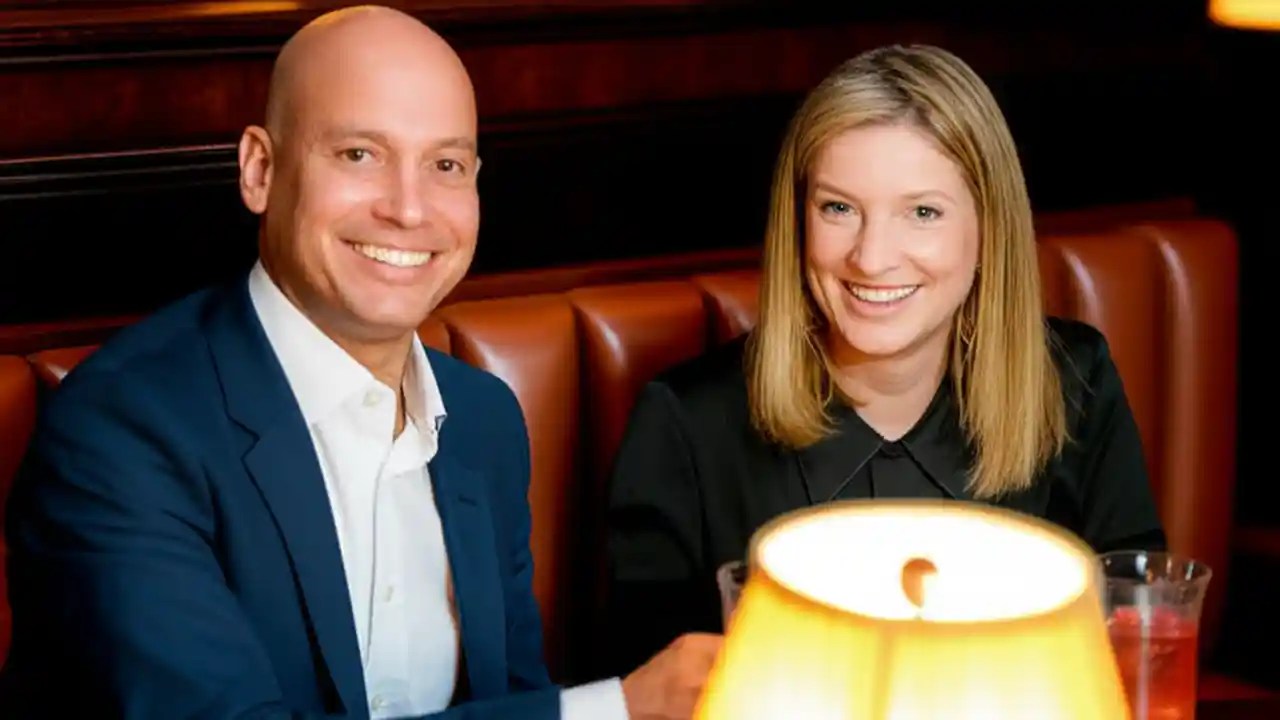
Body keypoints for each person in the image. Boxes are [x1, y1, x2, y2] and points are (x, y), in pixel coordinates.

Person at [0, 6, 718, 719]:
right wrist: (618, 710)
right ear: (260, 169)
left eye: (445, 164)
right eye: (359, 154)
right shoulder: (121, 429)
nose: (410, 210)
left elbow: (512, 699)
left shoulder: (483, 419)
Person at [603, 43, 1167, 676]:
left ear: (989, 231)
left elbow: (1135, 653)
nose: (872, 258)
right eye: (838, 209)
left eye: (922, 212)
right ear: (798, 221)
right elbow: (651, 697)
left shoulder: (1075, 383)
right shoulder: (685, 423)